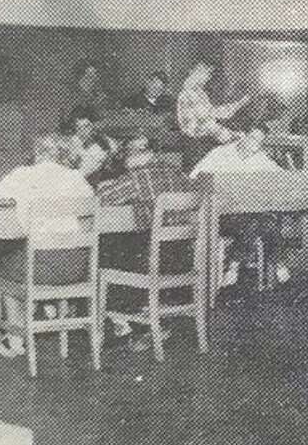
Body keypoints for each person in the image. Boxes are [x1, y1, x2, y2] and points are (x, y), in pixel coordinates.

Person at [0, 134, 95, 357]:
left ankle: (15, 341)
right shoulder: (76, 178)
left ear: (37, 153)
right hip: (76, 267)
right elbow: (88, 215)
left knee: (3, 272)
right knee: (21, 264)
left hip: (41, 264)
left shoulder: (23, 174)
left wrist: (11, 199)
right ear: (64, 155)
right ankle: (38, 317)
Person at [95, 132, 194, 344]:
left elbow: (100, 199)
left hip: (151, 263)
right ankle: (144, 312)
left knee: (105, 250)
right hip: (182, 257)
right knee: (123, 244)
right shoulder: (177, 172)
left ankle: (124, 321)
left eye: (126, 156)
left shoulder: (137, 178)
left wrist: (105, 184)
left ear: (132, 156)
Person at [188, 116, 288, 288]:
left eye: (260, 142)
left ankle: (234, 266)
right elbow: (194, 178)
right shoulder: (220, 154)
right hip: (220, 216)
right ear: (242, 135)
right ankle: (277, 262)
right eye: (253, 139)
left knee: (268, 219)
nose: (256, 145)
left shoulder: (260, 157)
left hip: (249, 217)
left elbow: (281, 177)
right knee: (258, 221)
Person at [176, 61, 250, 171]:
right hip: (197, 149)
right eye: (205, 72)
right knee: (200, 184)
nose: (208, 76)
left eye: (209, 73)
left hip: (202, 145)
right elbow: (206, 125)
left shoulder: (200, 93)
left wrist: (239, 104)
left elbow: (215, 113)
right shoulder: (189, 94)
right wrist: (232, 136)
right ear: (193, 72)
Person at [62, 105, 120, 184]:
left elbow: (82, 174)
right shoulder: (75, 140)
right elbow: (68, 162)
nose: (83, 132)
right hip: (75, 179)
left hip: (86, 183)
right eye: (79, 128)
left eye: (86, 127)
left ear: (93, 126)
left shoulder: (103, 146)